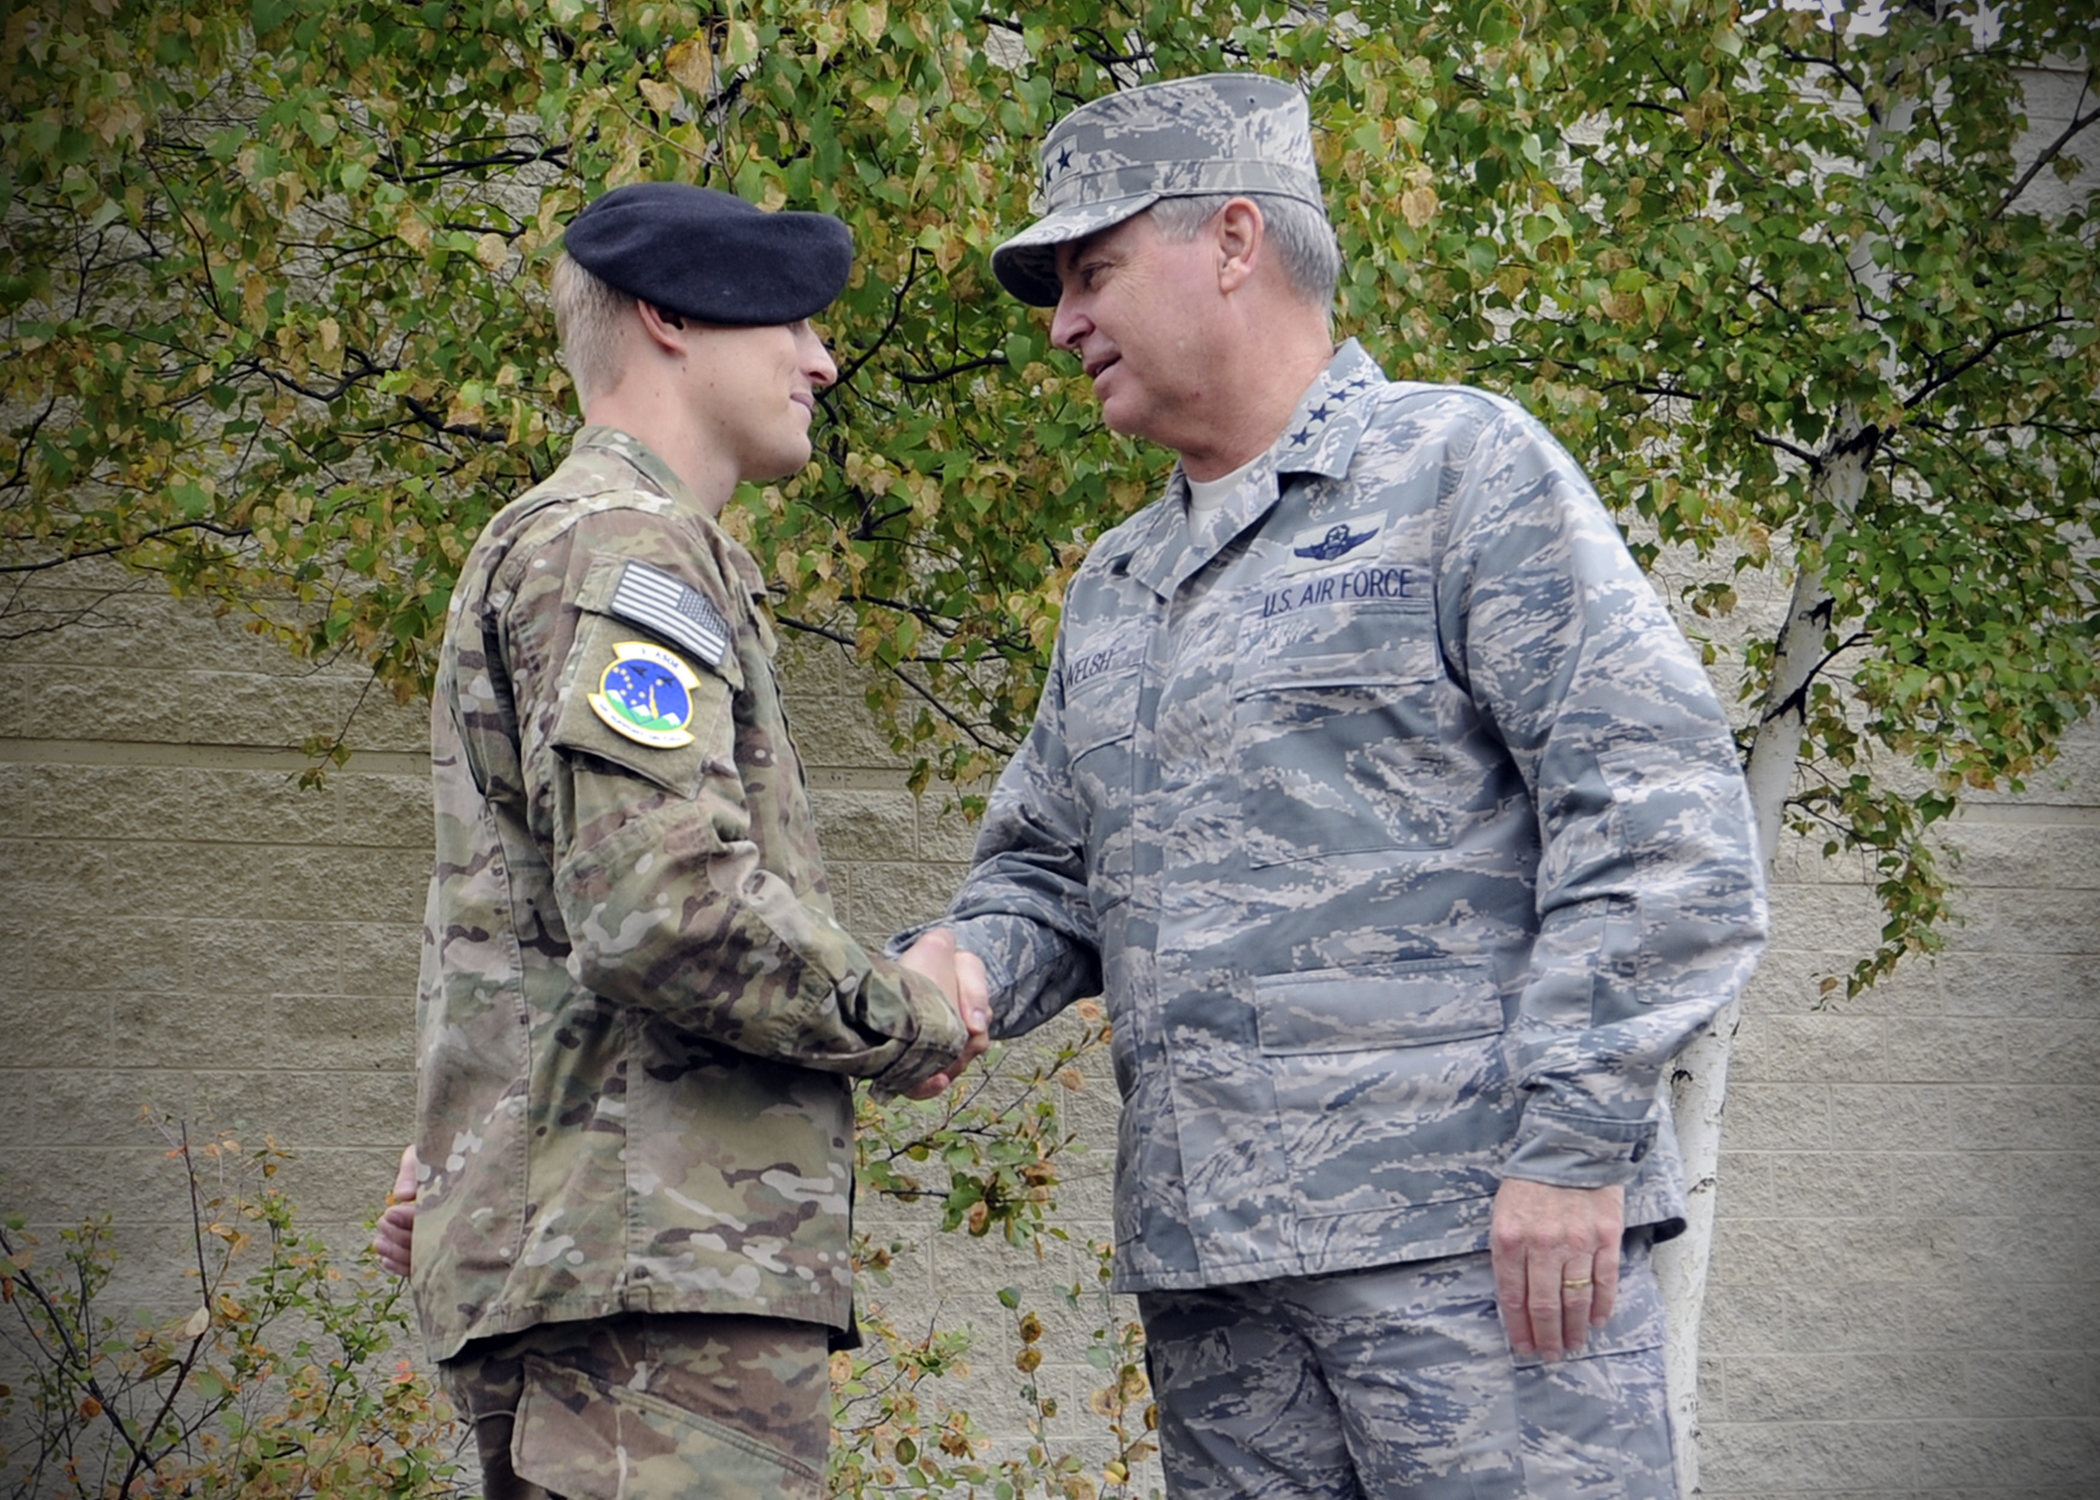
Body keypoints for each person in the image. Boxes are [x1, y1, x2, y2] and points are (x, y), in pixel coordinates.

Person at [895, 73, 1768, 1498]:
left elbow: (1663, 824)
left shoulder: (1457, 474)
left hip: (1475, 1265)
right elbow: (1048, 874)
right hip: (1220, 1299)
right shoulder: (1120, 587)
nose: (1062, 324)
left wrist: (1571, 1143)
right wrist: (960, 969)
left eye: (1093, 271)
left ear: (1234, 241)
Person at [381, 179, 984, 1500]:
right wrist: (914, 1014)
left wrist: (471, 1164)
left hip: (603, 1263)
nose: (823, 360)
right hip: (654, 1283)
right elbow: (663, 906)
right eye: (788, 323)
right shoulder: (630, 548)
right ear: (667, 318)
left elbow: (513, 927)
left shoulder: (563, 543)